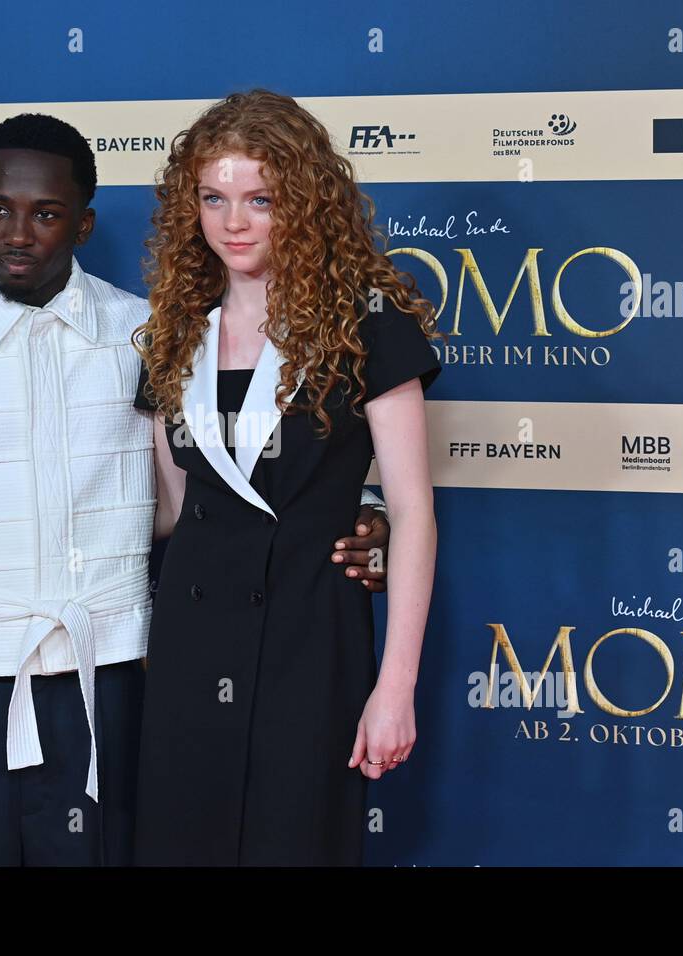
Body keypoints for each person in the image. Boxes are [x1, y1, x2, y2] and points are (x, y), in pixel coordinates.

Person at [0, 113, 394, 866]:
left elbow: (220, 485)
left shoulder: (150, 334)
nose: (16, 233)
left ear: (83, 223)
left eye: (45, 214)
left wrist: (362, 517)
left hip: (112, 684)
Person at [131, 90, 441, 866]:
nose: (234, 222)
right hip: (190, 645)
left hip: (313, 637)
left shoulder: (369, 323)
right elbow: (170, 511)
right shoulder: (175, 327)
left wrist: (394, 687)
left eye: (260, 199)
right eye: (214, 197)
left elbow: (412, 512)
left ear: (302, 204)